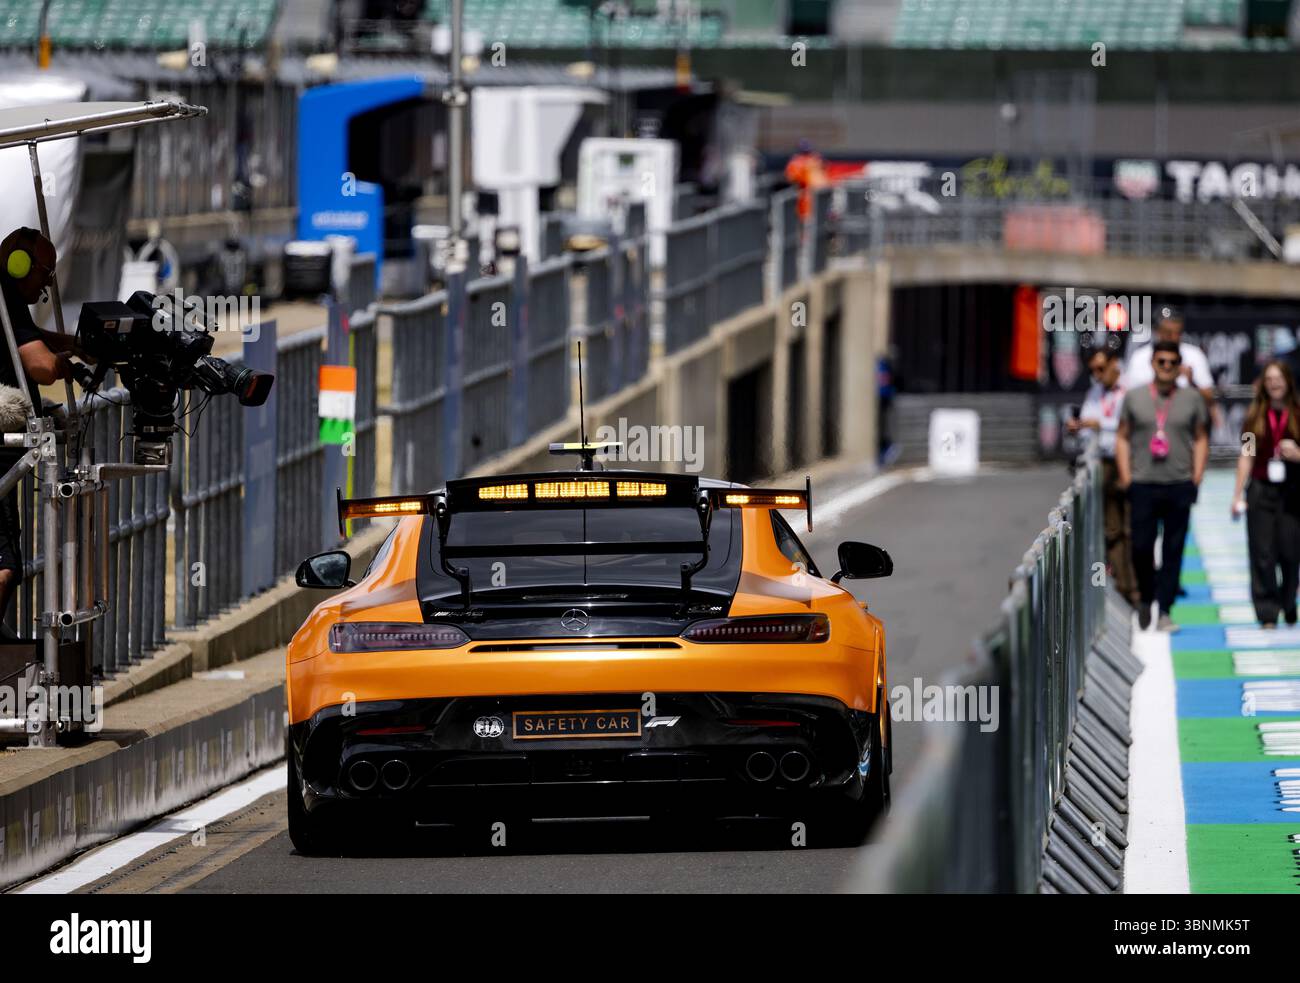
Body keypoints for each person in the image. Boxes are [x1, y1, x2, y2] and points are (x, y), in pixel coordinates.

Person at [0, 227, 77, 637]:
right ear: (19, 265)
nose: (48, 284)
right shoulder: (5, 294)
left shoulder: (6, 299)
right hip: (1, 445)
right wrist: (64, 362)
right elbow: (41, 366)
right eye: (45, 272)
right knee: (4, 563)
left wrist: (73, 343)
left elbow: (27, 339)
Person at [1116, 339, 1209, 631]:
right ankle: (1146, 596)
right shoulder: (1134, 397)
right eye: (1161, 362)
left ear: (1179, 367)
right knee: (1141, 547)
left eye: (1172, 363)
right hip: (1143, 482)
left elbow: (1202, 436)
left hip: (1179, 483)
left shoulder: (1192, 398)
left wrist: (1196, 476)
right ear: (1152, 364)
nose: (1167, 367)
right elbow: (1121, 436)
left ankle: (1165, 610)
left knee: (1174, 549)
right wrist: (1126, 477)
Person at [1230, 361, 1300, 628]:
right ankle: (1266, 610)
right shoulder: (1254, 416)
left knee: (1291, 552)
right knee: (1262, 552)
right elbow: (1246, 456)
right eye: (1269, 379)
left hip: (1293, 491)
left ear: (1288, 381)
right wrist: (1237, 494)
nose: (1274, 384)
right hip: (1261, 490)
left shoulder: (1297, 413)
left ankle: (1288, 599)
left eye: (1278, 378)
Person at [1068, 345, 1138, 608]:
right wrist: (1078, 427)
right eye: (1092, 370)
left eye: (1101, 368)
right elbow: (1088, 423)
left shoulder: (1131, 388)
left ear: (1114, 365)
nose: (1097, 375)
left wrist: (1099, 424)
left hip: (1130, 460)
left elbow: (1133, 424)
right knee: (1112, 529)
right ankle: (1125, 589)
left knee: (1134, 527)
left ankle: (1139, 586)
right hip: (1105, 461)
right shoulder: (1095, 391)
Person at [784, 139, 829, 223]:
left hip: (808, 196)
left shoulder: (798, 161)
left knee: (806, 222)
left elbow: (791, 179)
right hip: (822, 195)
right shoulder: (817, 159)